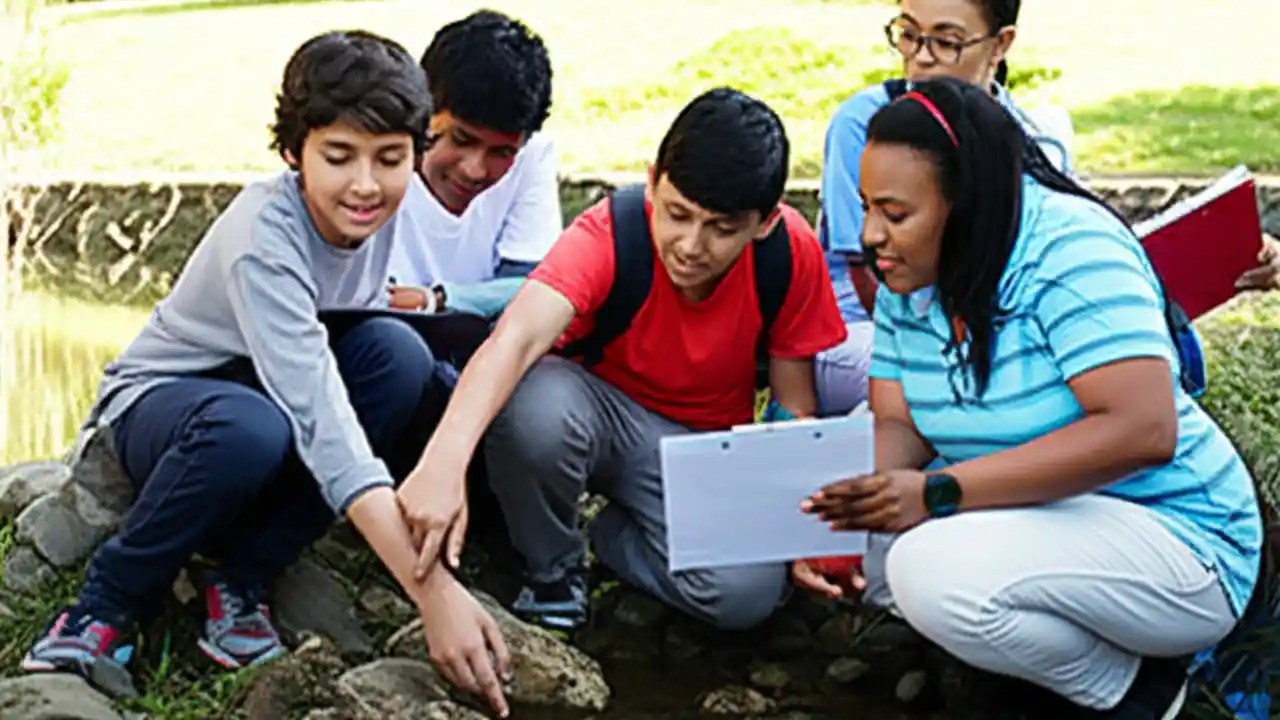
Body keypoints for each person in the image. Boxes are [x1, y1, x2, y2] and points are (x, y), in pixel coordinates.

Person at [21, 31, 513, 717]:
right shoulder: (266, 237)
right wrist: (432, 594)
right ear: (294, 153)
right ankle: (105, 604)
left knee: (399, 359)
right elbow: (321, 417)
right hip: (168, 403)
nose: (366, 185)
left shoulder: (390, 211)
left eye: (390, 159)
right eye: (338, 157)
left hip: (265, 397)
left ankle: (241, 581)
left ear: (415, 155)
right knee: (245, 429)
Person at [799, 77, 1262, 717]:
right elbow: (899, 429)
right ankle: (1047, 661)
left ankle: (1136, 693)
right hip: (1050, 518)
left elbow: (1143, 429)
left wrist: (938, 493)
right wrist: (817, 518)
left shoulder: (1070, 248)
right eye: (867, 207)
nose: (871, 235)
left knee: (928, 570)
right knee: (870, 547)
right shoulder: (912, 276)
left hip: (1180, 537)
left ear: (964, 203)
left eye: (895, 213)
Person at [394, 87, 848, 632]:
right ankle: (553, 569)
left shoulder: (788, 255)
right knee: (535, 405)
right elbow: (512, 339)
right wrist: (442, 465)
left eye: (722, 229)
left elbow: (792, 402)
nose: (690, 245)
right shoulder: (610, 233)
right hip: (587, 412)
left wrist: (796, 525)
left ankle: (612, 539)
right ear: (654, 181)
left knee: (745, 596)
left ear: (765, 223)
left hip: (700, 450)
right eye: (677, 214)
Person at [814, 0, 1072, 418]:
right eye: (910, 35)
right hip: (871, 321)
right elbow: (870, 273)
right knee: (967, 385)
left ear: (1000, 44)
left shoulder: (1030, 140)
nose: (921, 57)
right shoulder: (865, 122)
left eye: (947, 42)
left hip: (983, 319)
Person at [386, 9, 559, 320]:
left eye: (501, 152)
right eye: (461, 140)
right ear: (424, 109)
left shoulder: (533, 156)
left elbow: (537, 289)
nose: (475, 170)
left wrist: (438, 299)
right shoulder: (373, 159)